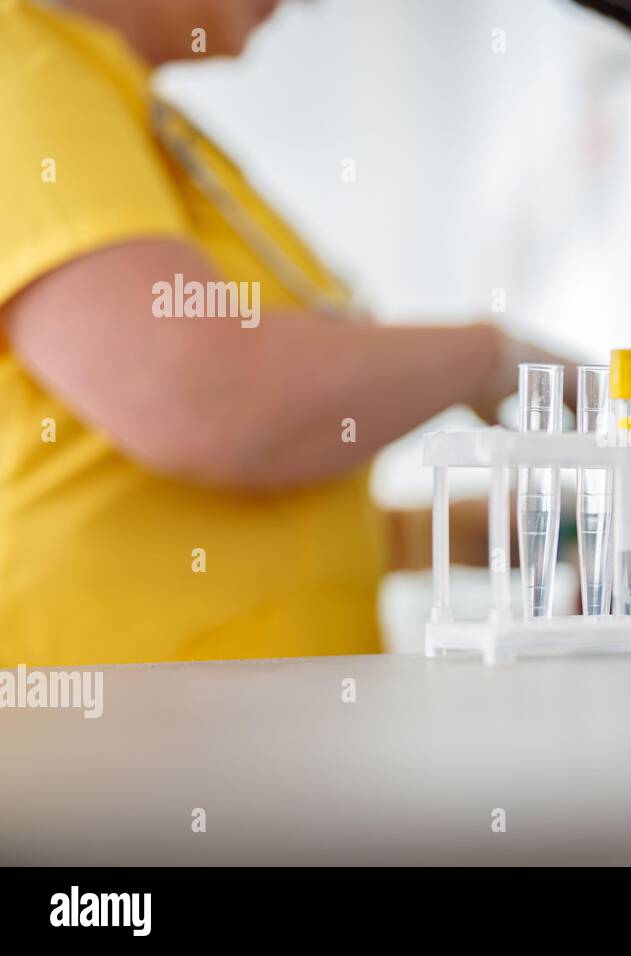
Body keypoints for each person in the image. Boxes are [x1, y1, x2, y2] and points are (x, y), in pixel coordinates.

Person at [0, 0, 569, 665]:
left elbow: (149, 499)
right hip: (113, 743)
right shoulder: (20, 71)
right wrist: (488, 357)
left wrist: (431, 538)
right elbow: (208, 396)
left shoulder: (118, 102)